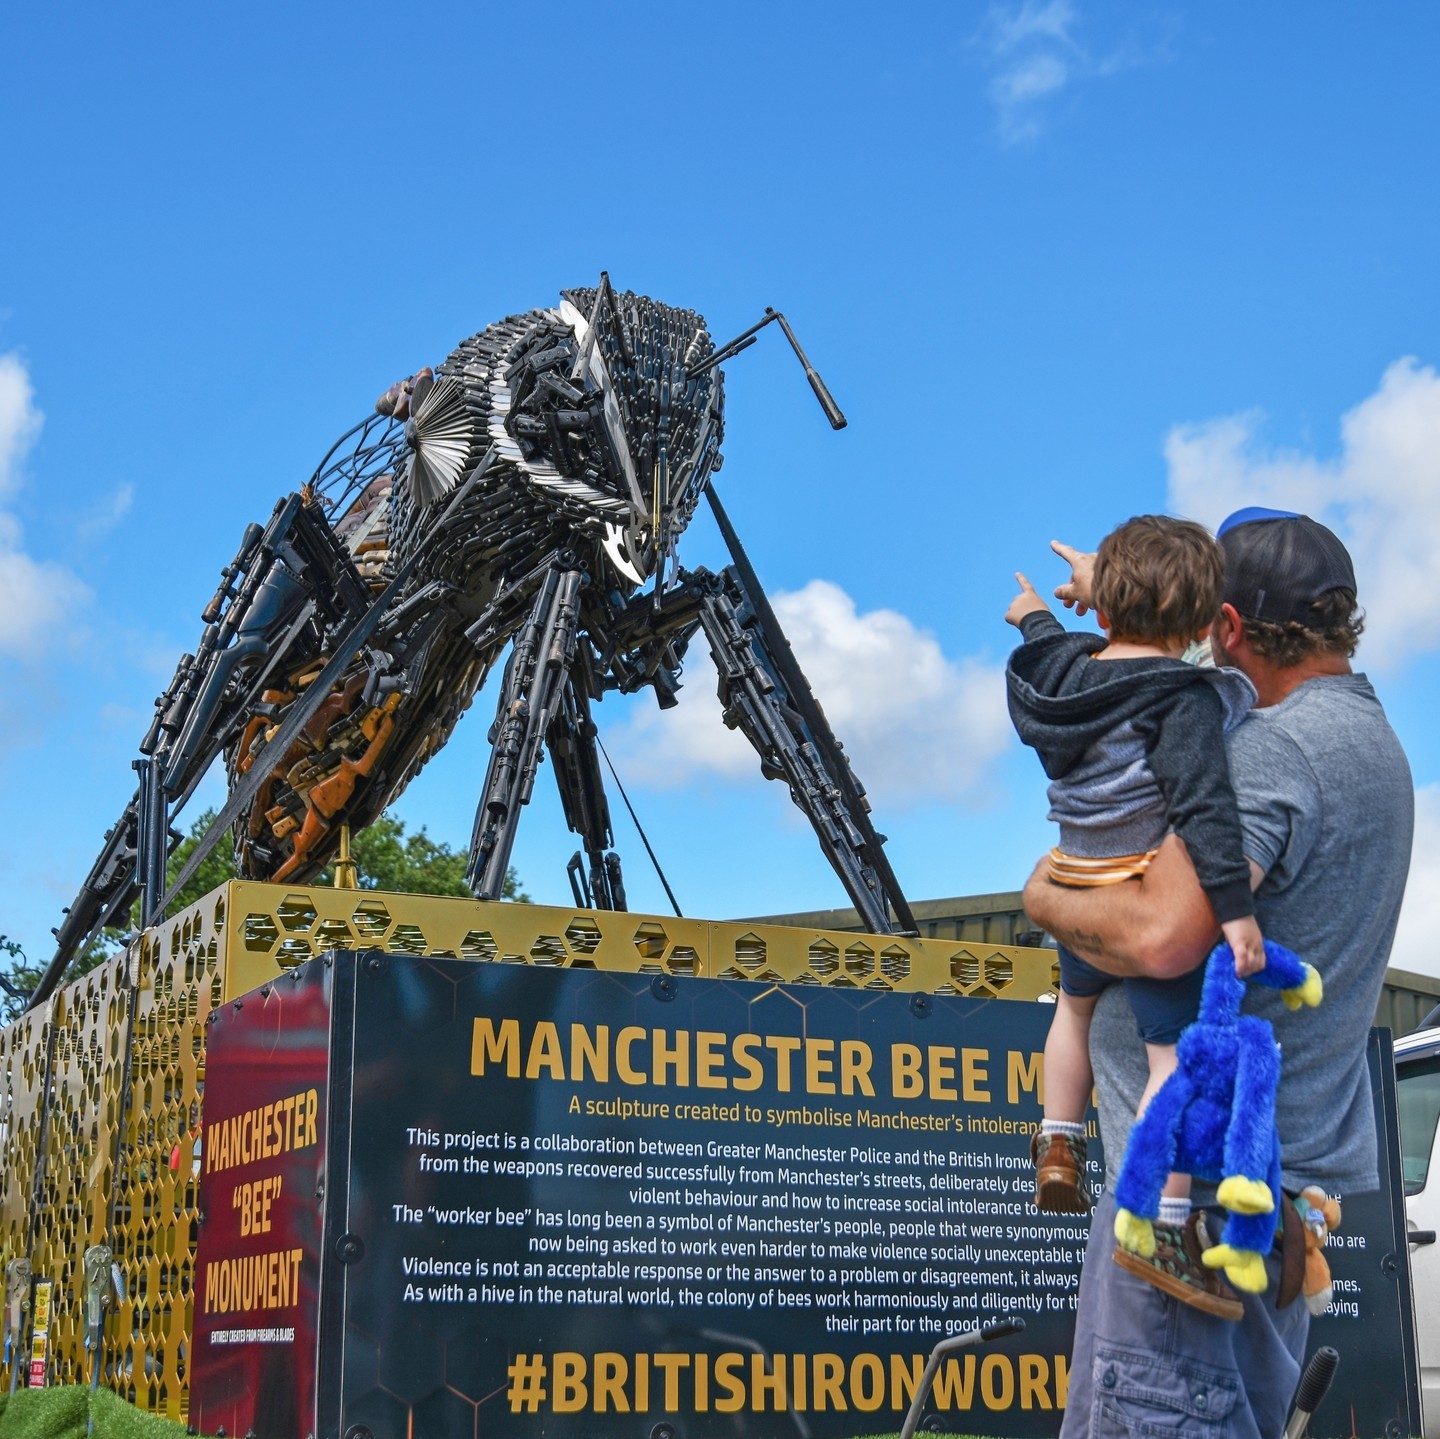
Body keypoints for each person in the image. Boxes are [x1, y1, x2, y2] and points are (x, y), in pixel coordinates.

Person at [1022, 509, 1413, 1438]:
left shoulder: (1271, 751)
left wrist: (1046, 891)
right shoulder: (1375, 746)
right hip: (1263, 1205)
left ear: (1229, 627)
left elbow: (1163, 937)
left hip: (1186, 1217)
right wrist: (1110, 589)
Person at [1004, 515, 1264, 1320]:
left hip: (1074, 884)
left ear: (1106, 609)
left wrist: (1036, 612)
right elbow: (1207, 811)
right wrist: (1235, 912)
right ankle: (1164, 1221)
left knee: (1073, 1012)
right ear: (1202, 626)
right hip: (1136, 895)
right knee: (1169, 1063)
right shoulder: (1181, 700)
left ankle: (1058, 1140)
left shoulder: (1064, 678)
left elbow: (1051, 645)